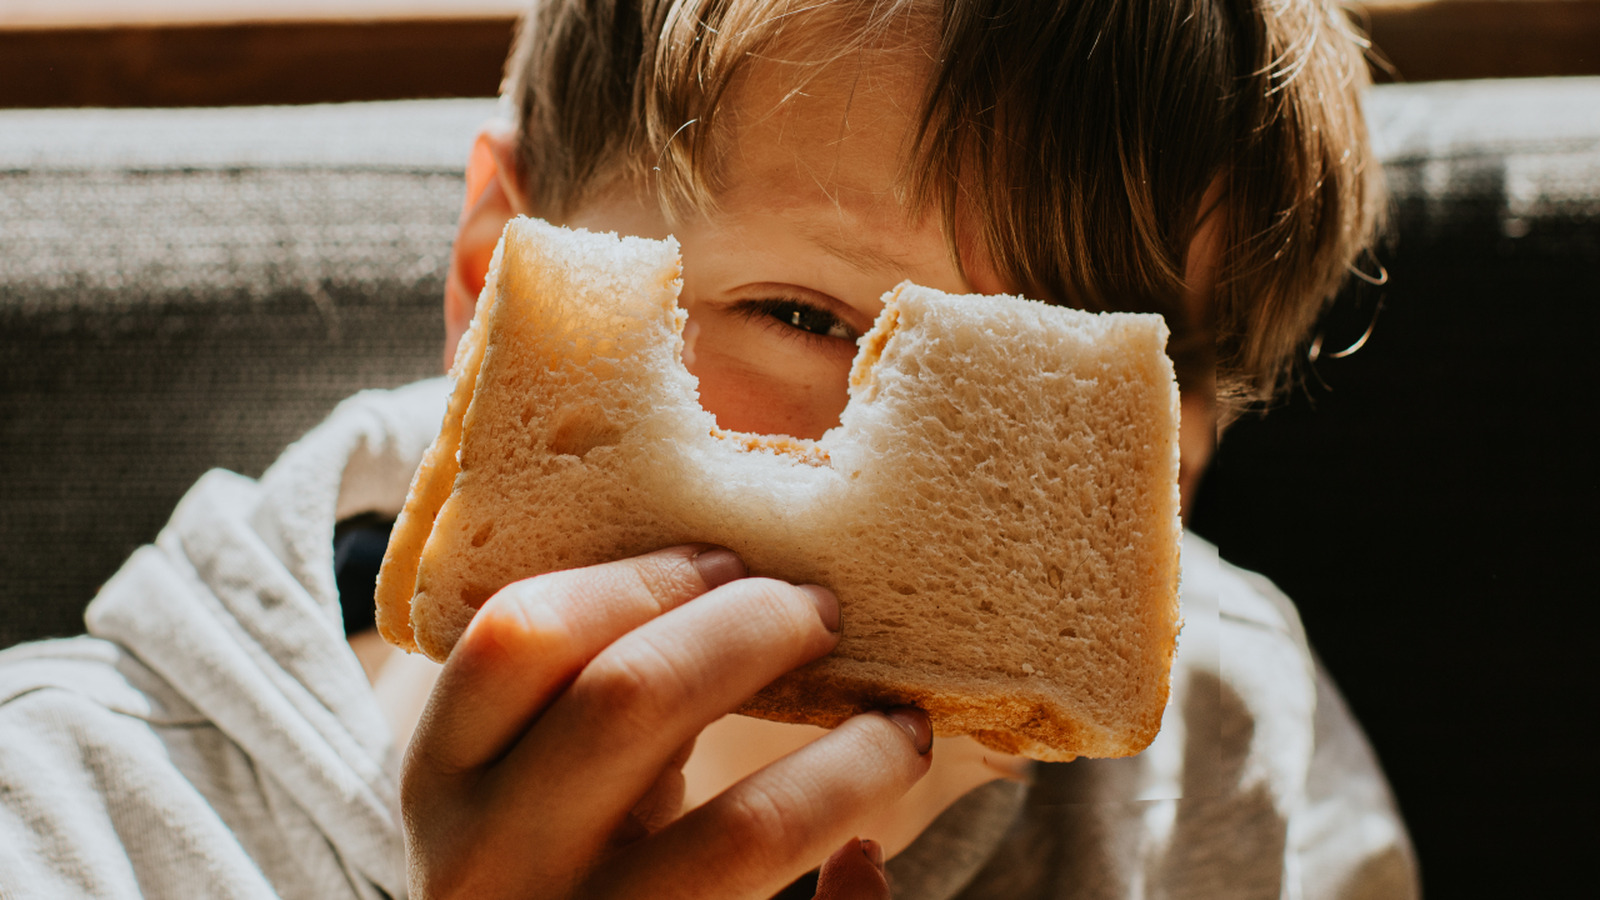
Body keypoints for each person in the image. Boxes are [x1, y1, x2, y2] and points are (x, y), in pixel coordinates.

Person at [0, 1, 1418, 898]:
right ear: (495, 279)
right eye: (801, 315)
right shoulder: (67, 823)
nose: (923, 515)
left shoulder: (1228, 749)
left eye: (1074, 432)